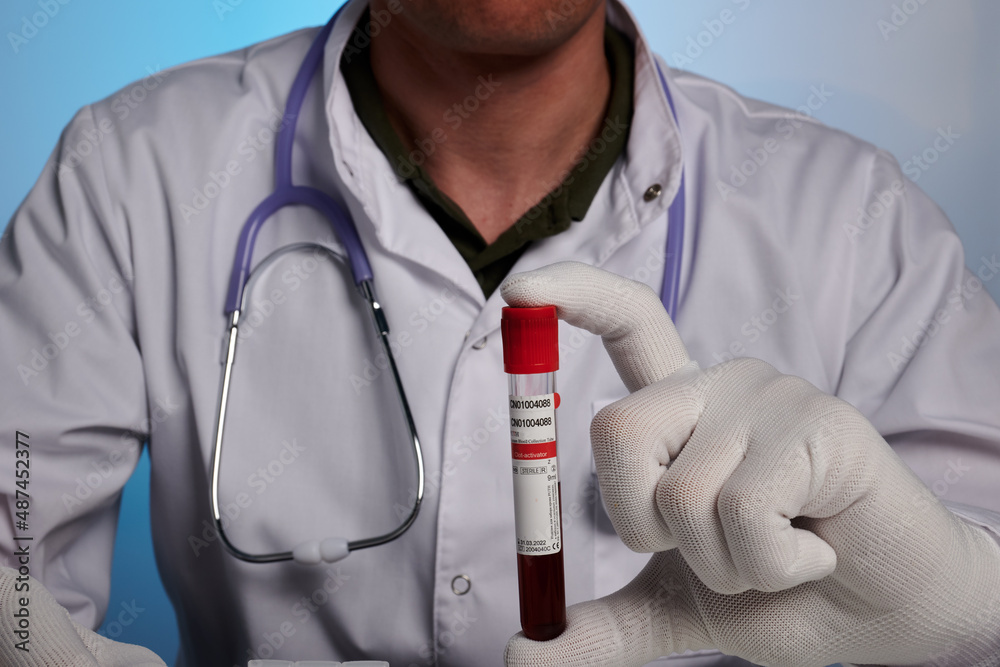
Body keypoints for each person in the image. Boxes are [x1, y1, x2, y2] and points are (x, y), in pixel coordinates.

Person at [1, 0, 999, 665]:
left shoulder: (853, 218)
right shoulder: (133, 169)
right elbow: (16, 572)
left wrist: (958, 603)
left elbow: (981, 573)